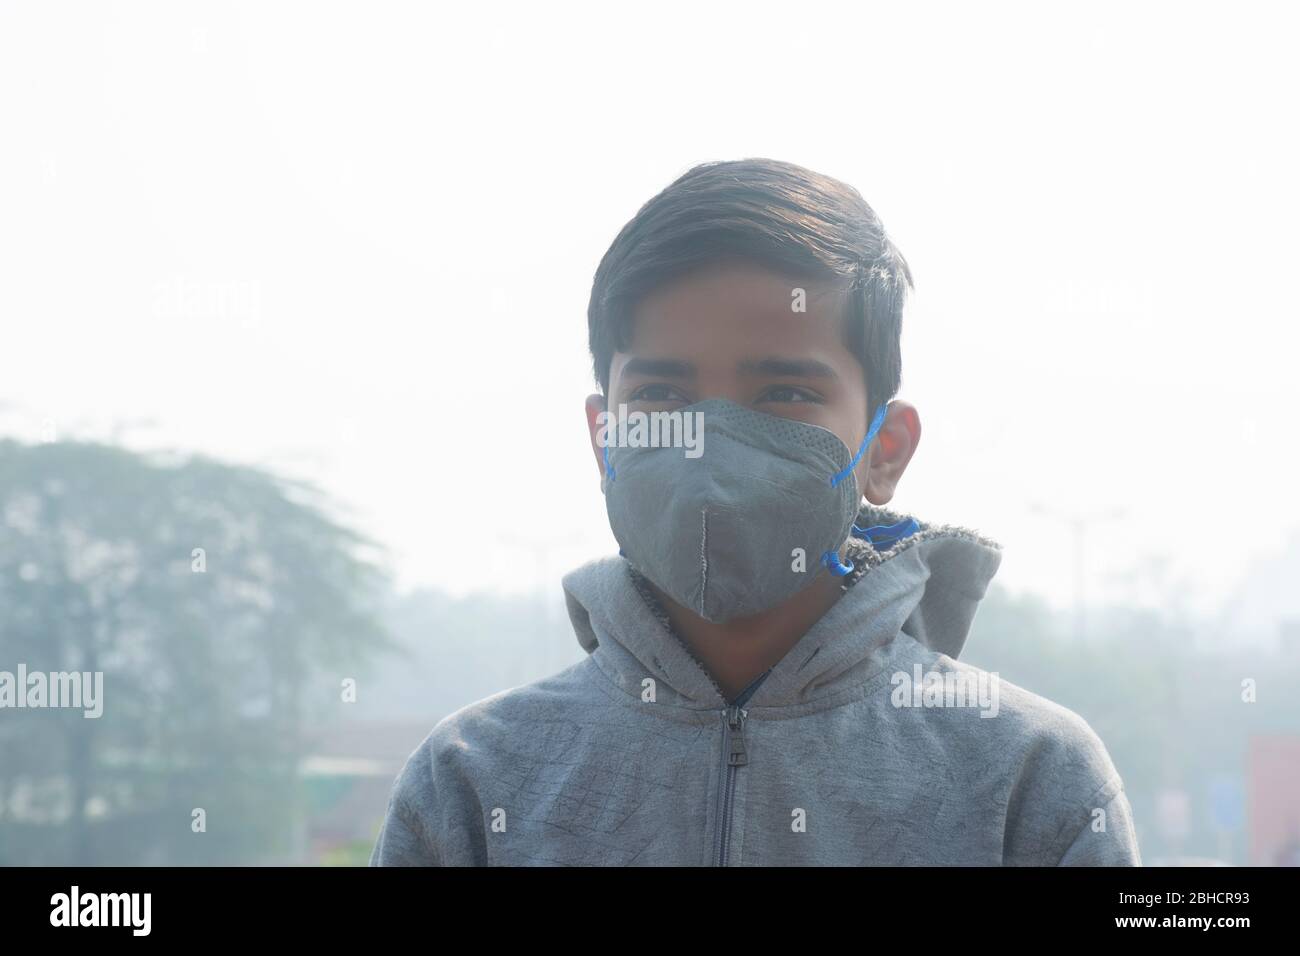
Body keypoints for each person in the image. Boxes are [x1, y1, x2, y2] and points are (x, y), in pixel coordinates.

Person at [370, 158, 1142, 866]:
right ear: (605, 438)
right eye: (662, 396)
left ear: (886, 450)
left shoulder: (1026, 780)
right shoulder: (473, 783)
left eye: (783, 394)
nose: (710, 445)